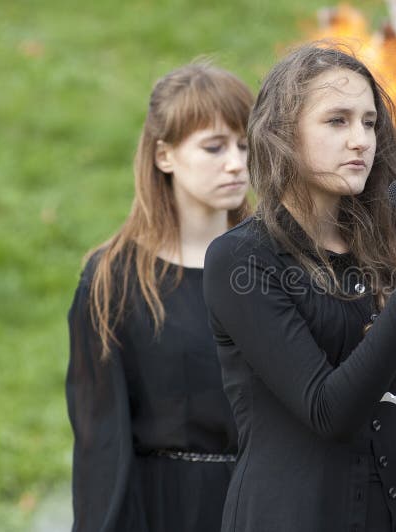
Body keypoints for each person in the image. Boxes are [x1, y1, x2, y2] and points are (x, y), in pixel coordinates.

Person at [202, 41, 396, 532]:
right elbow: (330, 411)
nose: (361, 140)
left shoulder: (378, 247)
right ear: (284, 133)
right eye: (337, 121)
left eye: (369, 123)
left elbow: (379, 412)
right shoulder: (241, 259)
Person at [65, 62, 254, 532]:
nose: (235, 163)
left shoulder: (274, 268)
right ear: (164, 156)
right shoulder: (115, 278)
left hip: (267, 502)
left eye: (244, 146)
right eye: (214, 147)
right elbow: (100, 442)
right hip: (167, 509)